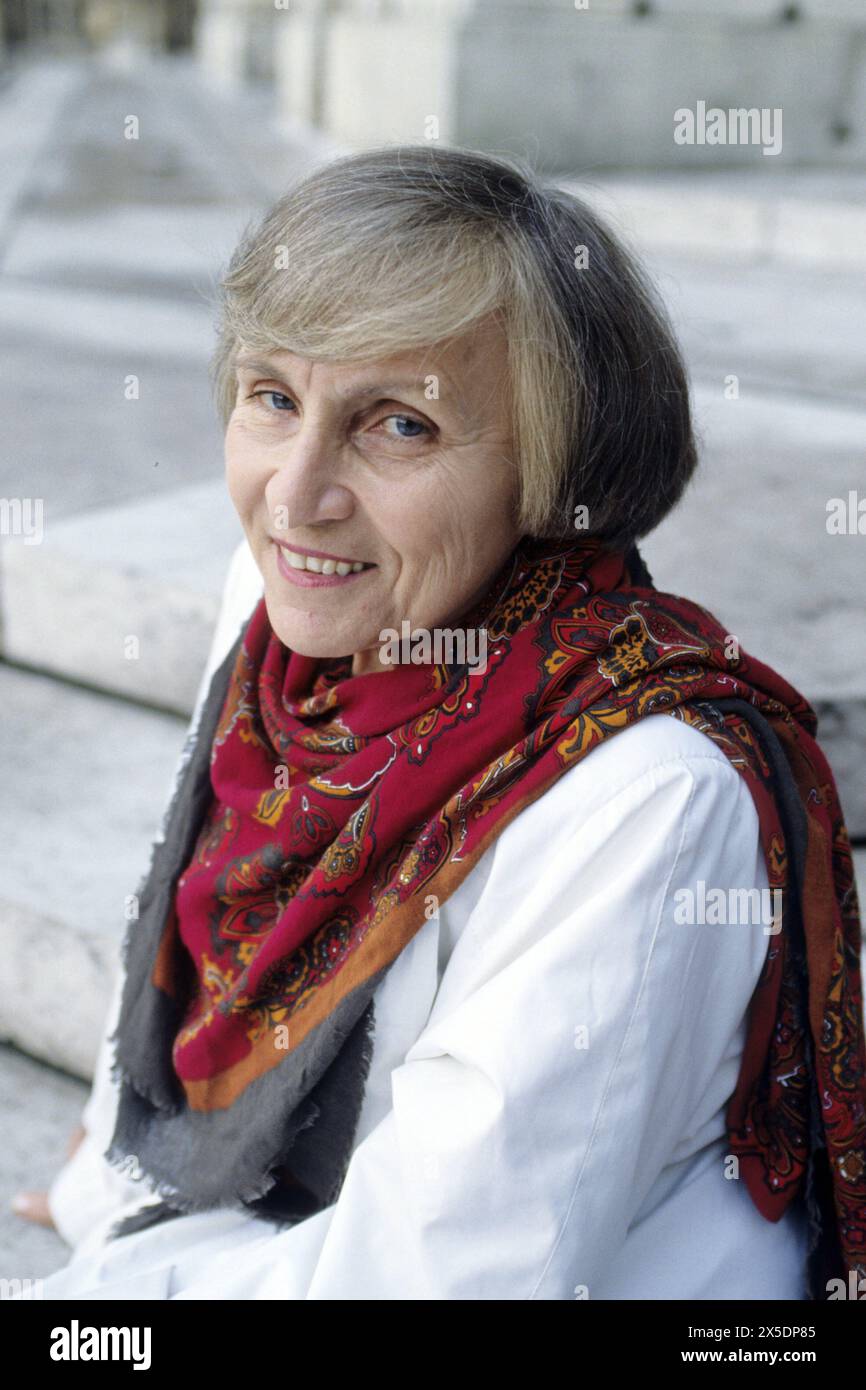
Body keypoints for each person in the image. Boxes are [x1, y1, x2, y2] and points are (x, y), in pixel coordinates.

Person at [18, 145, 865, 1300]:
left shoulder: (645, 800)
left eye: (398, 426)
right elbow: (188, 929)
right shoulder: (289, 623)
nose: (295, 493)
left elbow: (443, 1277)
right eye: (272, 396)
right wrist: (122, 1167)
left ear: (555, 469)